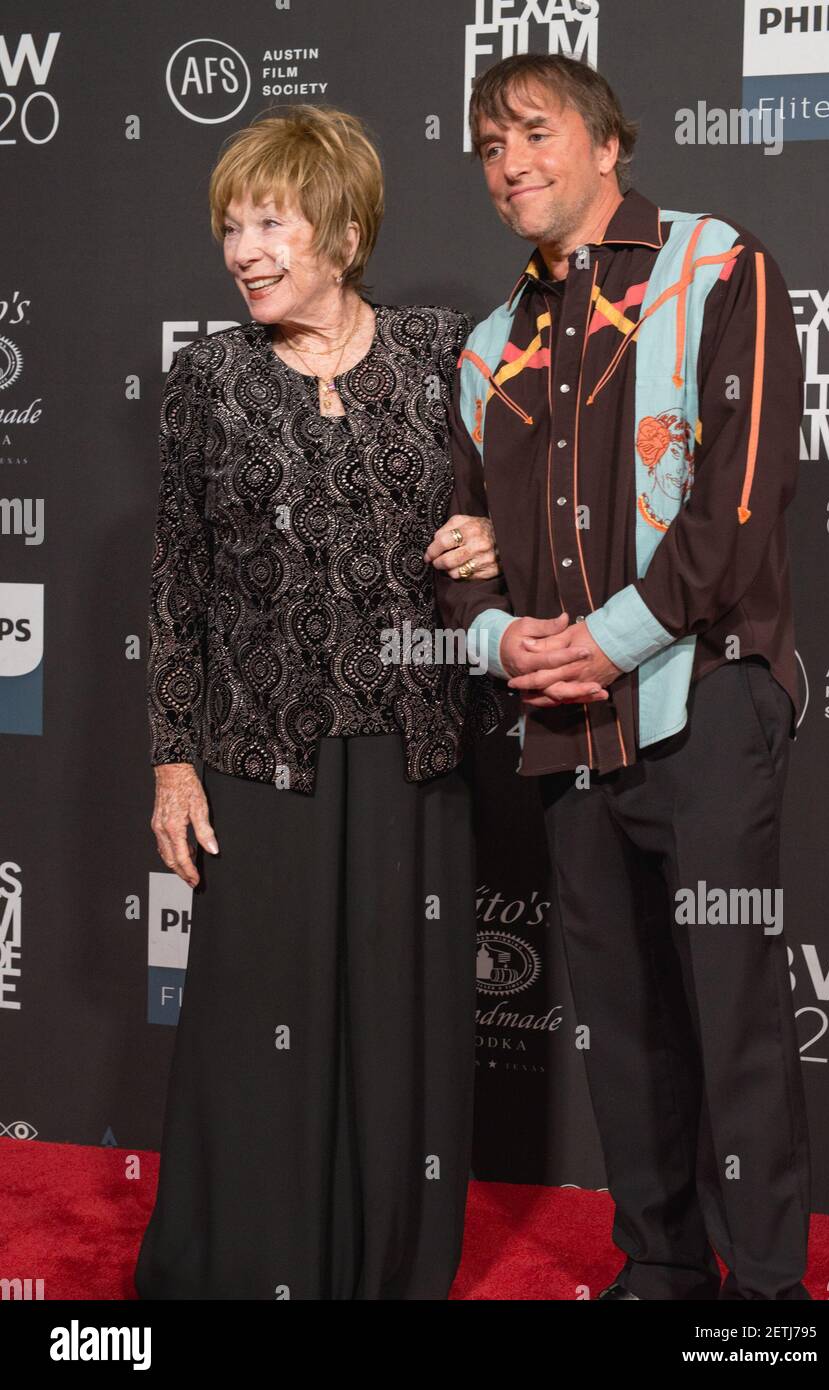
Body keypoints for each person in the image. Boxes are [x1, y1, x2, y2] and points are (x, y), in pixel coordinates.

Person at [430, 54, 811, 1300]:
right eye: (489, 145)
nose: (509, 163)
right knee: (626, 1024)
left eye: (533, 132)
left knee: (735, 1016)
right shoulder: (490, 346)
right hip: (562, 727)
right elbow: (460, 547)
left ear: (608, 142)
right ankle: (658, 1270)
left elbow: (737, 505)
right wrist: (500, 640)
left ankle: (763, 1301)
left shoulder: (718, 266)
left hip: (707, 698)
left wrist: (611, 634)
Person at [135, 104, 500, 1301]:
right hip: (259, 755)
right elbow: (176, 582)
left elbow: (527, 509)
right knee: (260, 1030)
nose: (243, 249)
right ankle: (248, 1268)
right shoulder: (208, 379)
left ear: (343, 230)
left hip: (412, 753)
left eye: (270, 221)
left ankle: (385, 1266)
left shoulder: (442, 354)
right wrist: (173, 763)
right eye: (230, 226)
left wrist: (493, 532)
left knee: (397, 1029)